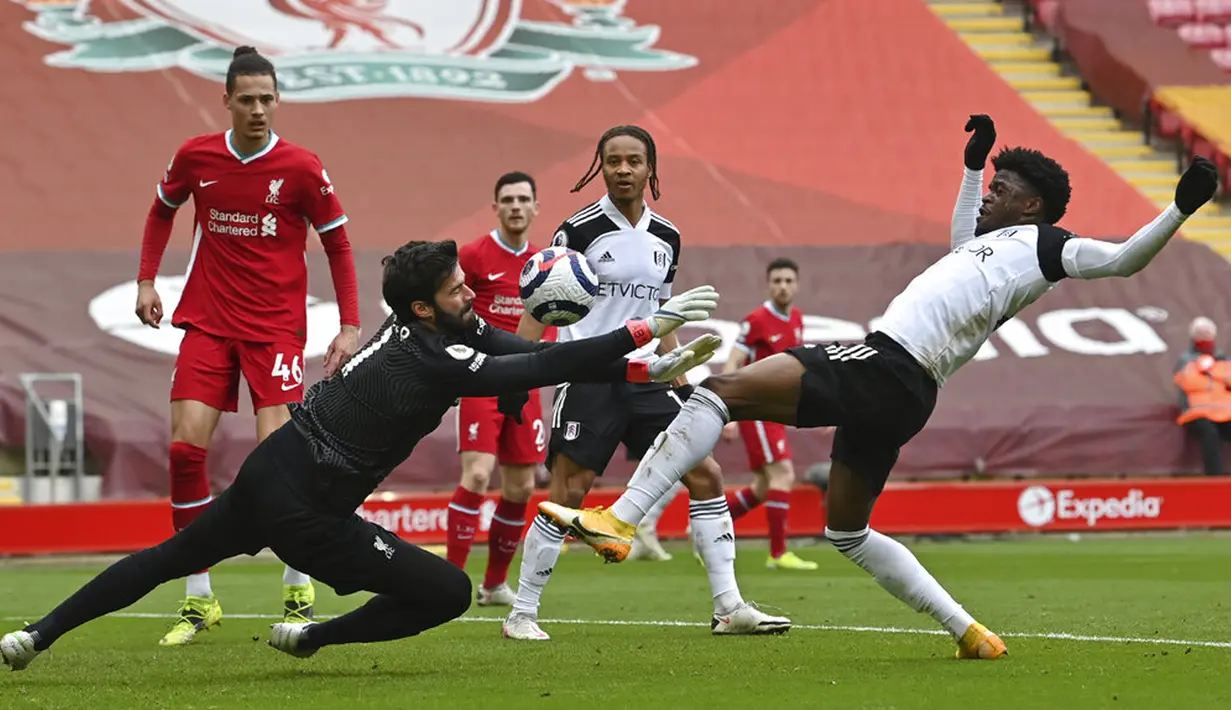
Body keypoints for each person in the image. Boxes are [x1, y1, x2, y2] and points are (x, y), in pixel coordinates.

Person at [541, 115, 1221, 660]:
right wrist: (967, 166)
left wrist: (1177, 209)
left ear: (1031, 205)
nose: (988, 194)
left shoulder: (1047, 245)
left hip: (883, 360)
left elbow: (1123, 260)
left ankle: (621, 518)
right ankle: (968, 631)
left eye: (999, 186)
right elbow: (964, 234)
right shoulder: (987, 246)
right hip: (907, 392)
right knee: (847, 530)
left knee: (721, 389)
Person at [0, 240, 723, 672]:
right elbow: (526, 372)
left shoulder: (422, 325)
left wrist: (637, 369)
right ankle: (315, 637)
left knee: (168, 558)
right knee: (443, 594)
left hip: (275, 467)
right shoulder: (438, 361)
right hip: (309, 506)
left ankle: (35, 637)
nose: (470, 293)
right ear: (421, 309)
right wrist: (642, 327)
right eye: (455, 290)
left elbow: (532, 352)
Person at [501, 125, 792, 641]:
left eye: (634, 161)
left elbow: (664, 314)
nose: (623, 170)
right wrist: (517, 374)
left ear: (650, 169)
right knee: (569, 494)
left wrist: (682, 367)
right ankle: (521, 613)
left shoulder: (668, 237)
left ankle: (729, 608)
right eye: (613, 161)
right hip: (589, 375)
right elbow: (540, 300)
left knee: (706, 476)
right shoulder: (578, 230)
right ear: (600, 167)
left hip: (650, 376)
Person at [134, 46, 362, 645]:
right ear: (227, 100)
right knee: (185, 452)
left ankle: (296, 587)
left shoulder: (303, 167)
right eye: (248, 99)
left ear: (278, 99)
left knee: (280, 468)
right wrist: (146, 280)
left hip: (274, 330)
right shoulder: (197, 157)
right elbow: (162, 211)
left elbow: (338, 244)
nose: (259, 109)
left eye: (268, 98)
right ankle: (198, 598)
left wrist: (348, 324)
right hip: (208, 321)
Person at [447, 171, 554, 605]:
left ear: (535, 207)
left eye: (523, 199)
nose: (515, 206)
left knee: (521, 488)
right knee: (476, 474)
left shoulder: (547, 264)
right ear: (495, 207)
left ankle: (493, 585)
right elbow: (449, 307)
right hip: (482, 377)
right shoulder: (473, 255)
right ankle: (447, 584)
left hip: (526, 381)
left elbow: (554, 316)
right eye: (507, 199)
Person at [719, 257, 818, 571]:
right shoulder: (757, 320)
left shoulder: (797, 319)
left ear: (797, 285)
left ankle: (705, 528)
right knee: (783, 474)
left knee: (764, 485)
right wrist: (728, 411)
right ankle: (777, 554)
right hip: (757, 408)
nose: (783, 287)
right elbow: (732, 364)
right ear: (768, 284)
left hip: (778, 412)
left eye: (789, 281)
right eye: (777, 281)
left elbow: (799, 371)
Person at [1173, 316, 1231, 475]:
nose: (1205, 339)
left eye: (1208, 335)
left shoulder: (1224, 359)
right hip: (1197, 412)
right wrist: (1217, 375)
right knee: (1210, 434)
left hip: (1225, 413)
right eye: (1201, 335)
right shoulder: (1185, 360)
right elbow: (1190, 383)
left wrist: (1210, 371)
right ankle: (1215, 479)